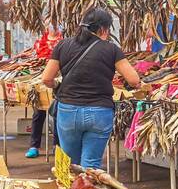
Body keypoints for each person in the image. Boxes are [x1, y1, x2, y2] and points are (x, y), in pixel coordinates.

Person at [40, 9, 140, 169]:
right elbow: (134, 80)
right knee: (91, 166)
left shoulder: (63, 45)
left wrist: (57, 85)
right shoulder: (111, 49)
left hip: (68, 111)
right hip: (99, 112)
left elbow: (46, 78)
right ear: (103, 29)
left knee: (69, 164)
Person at [25, 27, 62, 158]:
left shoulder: (63, 40)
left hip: (58, 80)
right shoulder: (40, 41)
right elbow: (34, 59)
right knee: (38, 113)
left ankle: (57, 146)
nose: (54, 26)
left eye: (56, 23)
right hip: (41, 80)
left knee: (58, 114)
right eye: (51, 23)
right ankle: (34, 146)